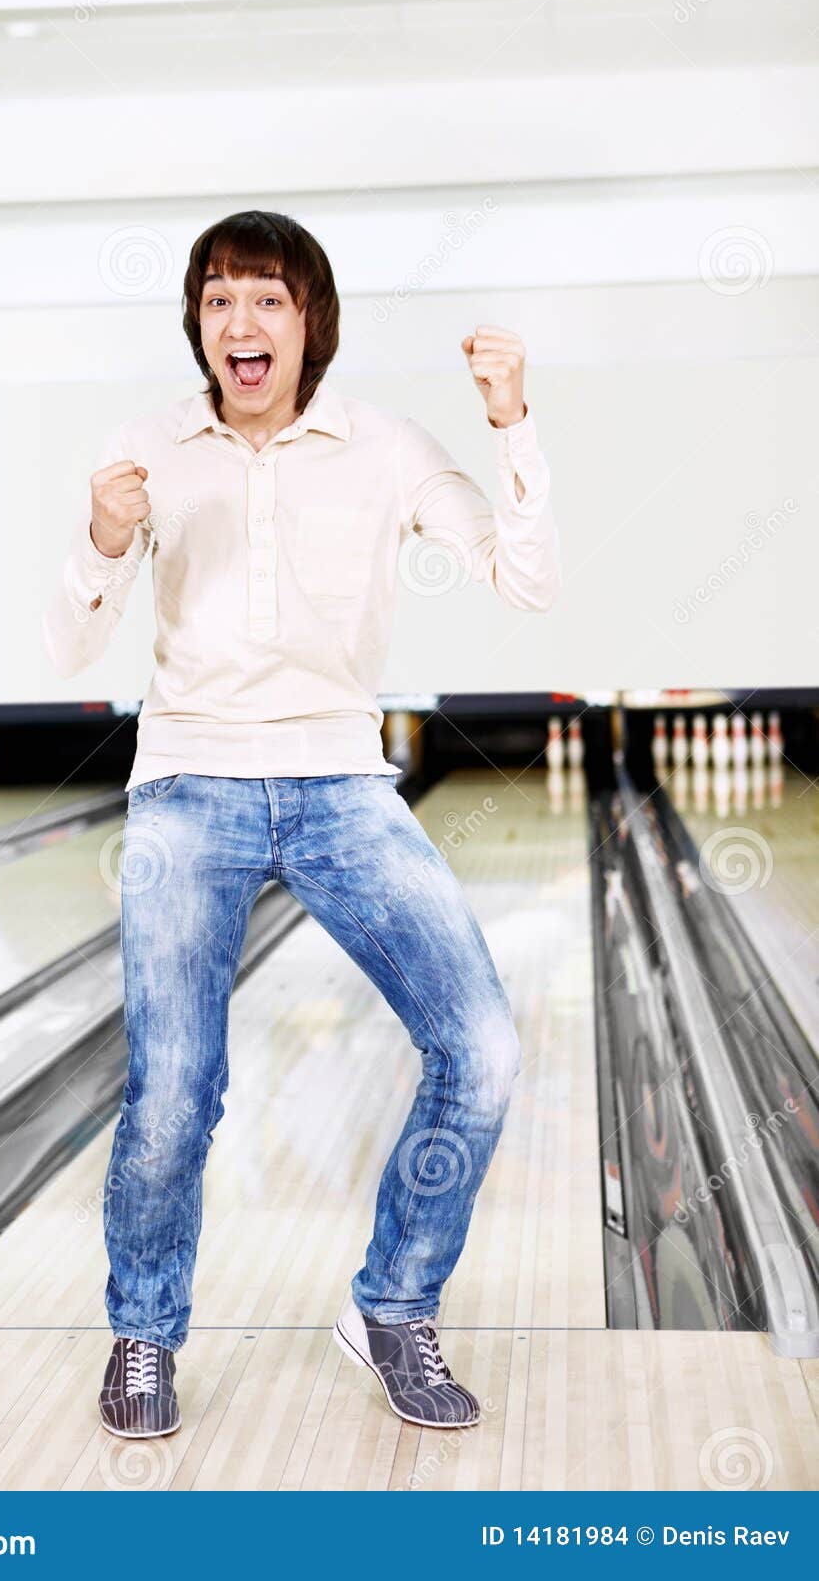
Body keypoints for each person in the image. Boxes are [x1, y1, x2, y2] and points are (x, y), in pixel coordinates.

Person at [42, 210, 561, 1438]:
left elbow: (525, 580)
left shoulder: (383, 446)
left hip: (339, 786)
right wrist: (104, 539)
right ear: (197, 325)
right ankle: (142, 1333)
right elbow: (68, 645)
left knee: (478, 1047)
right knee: (174, 1089)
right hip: (186, 787)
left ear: (309, 320)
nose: (240, 324)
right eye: (219, 301)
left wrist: (509, 422)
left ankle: (392, 1303)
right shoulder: (148, 450)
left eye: (266, 300)